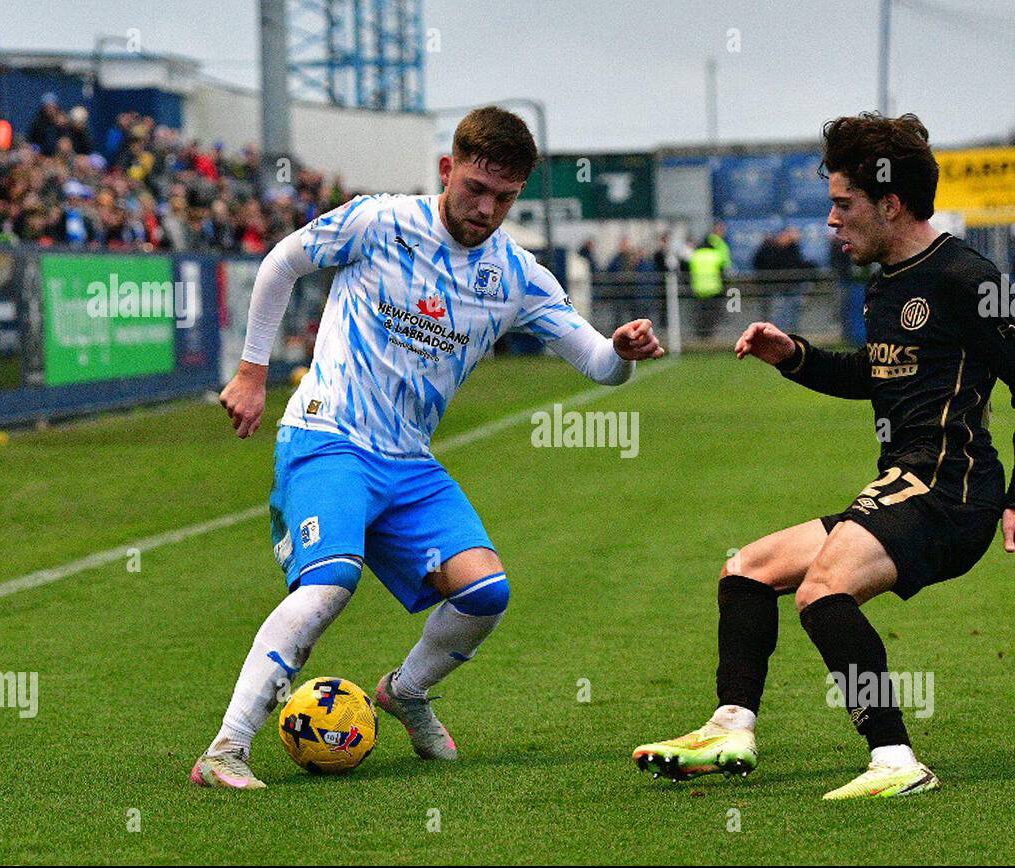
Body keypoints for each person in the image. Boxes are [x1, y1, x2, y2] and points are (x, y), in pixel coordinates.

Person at [192, 106, 665, 789]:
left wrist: (624, 352)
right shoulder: (380, 222)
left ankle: (405, 691)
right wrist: (251, 370)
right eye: (476, 187)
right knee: (331, 582)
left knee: (485, 592)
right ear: (447, 169)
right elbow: (282, 262)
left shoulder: (516, 275)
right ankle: (226, 749)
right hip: (329, 434)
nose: (486, 207)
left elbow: (597, 363)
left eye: (504, 197)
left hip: (408, 461)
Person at [633, 112, 1015, 800]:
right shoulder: (887, 280)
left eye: (842, 204)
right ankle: (729, 727)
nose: (832, 220)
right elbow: (875, 376)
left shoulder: (965, 276)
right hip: (905, 483)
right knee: (745, 570)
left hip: (952, 490)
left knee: (822, 590)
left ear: (889, 203)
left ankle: (896, 761)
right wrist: (793, 355)